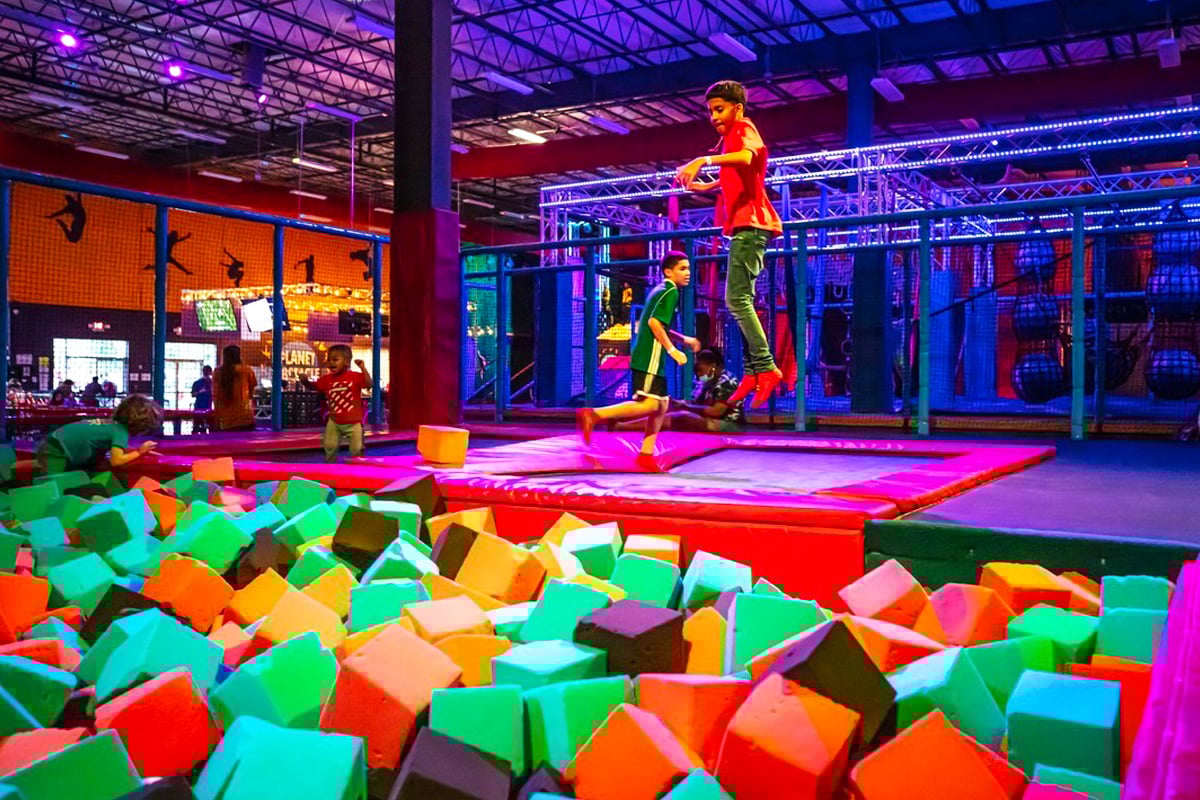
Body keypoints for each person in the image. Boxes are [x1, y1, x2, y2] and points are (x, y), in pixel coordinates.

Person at [675, 80, 784, 410]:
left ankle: (766, 367)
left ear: (737, 108)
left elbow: (747, 157)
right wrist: (702, 185)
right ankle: (752, 372)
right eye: (710, 111)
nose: (714, 117)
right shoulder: (729, 140)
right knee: (739, 302)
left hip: (752, 224)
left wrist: (703, 160)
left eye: (719, 109)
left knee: (736, 299)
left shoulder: (743, 128)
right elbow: (731, 176)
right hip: (744, 226)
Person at [576, 251, 699, 470]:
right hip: (650, 355)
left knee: (662, 404)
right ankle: (594, 414)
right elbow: (654, 324)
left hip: (650, 354)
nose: (688, 273)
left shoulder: (662, 290)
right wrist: (673, 351)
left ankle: (646, 455)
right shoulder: (670, 291)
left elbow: (659, 325)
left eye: (688, 268)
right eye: (682, 268)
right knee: (650, 404)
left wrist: (684, 340)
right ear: (668, 272)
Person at [611, 348, 744, 434]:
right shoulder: (708, 381)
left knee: (682, 417)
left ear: (713, 366)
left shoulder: (726, 381)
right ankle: (623, 419)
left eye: (701, 371)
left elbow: (716, 411)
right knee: (665, 407)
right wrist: (677, 403)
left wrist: (685, 407)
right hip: (711, 419)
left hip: (729, 424)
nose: (699, 375)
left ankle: (623, 427)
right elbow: (696, 403)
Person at [36, 394, 162, 474]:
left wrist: (135, 451)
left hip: (54, 443)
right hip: (56, 450)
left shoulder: (111, 425)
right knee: (53, 486)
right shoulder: (120, 431)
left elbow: (116, 450)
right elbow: (116, 460)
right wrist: (139, 452)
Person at [304, 345, 372, 463]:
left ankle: (359, 467)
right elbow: (315, 387)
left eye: (335, 360)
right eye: (329, 360)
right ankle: (330, 467)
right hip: (334, 421)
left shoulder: (355, 377)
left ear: (346, 362)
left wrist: (363, 368)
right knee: (330, 446)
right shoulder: (327, 379)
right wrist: (305, 382)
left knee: (357, 448)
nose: (331, 363)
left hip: (353, 422)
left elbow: (369, 384)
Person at [213, 345, 258, 432]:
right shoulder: (247, 369)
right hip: (245, 417)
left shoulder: (218, 371)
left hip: (225, 420)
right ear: (238, 355)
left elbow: (216, 395)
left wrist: (217, 420)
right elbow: (251, 392)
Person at [191, 365, 213, 434]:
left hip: (205, 406)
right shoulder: (198, 383)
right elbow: (193, 394)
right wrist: (200, 392)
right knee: (198, 425)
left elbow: (193, 394)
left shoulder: (212, 383)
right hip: (202, 406)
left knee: (201, 426)